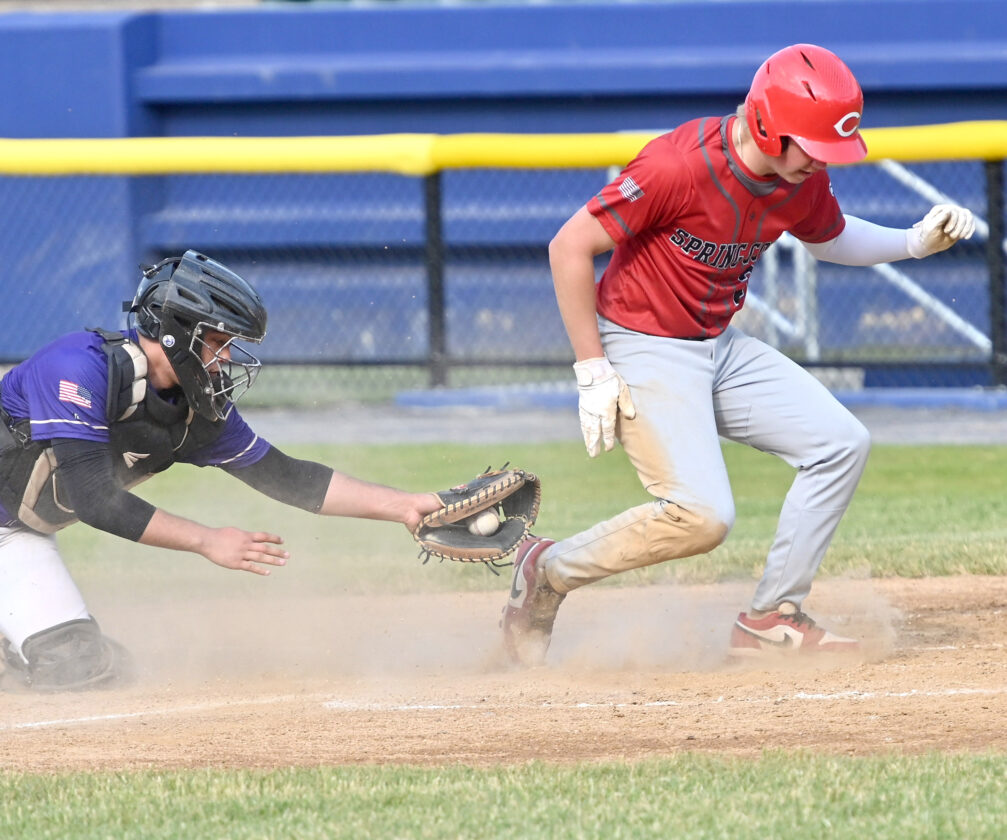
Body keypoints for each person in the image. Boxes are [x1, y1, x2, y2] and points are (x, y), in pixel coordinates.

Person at [501, 43, 976, 666]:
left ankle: (771, 619)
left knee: (841, 443)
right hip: (643, 344)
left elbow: (829, 237)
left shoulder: (796, 174)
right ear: (767, 128)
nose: (821, 163)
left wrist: (913, 242)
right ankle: (548, 567)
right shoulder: (678, 165)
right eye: (814, 147)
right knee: (702, 517)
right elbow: (569, 247)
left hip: (719, 345)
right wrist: (592, 369)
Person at [0, 250, 443, 691]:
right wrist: (207, 540)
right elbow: (93, 499)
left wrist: (405, 506)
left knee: (82, 668)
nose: (227, 358)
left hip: (13, 532)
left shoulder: (191, 411)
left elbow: (287, 476)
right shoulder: (77, 367)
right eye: (218, 342)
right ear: (175, 334)